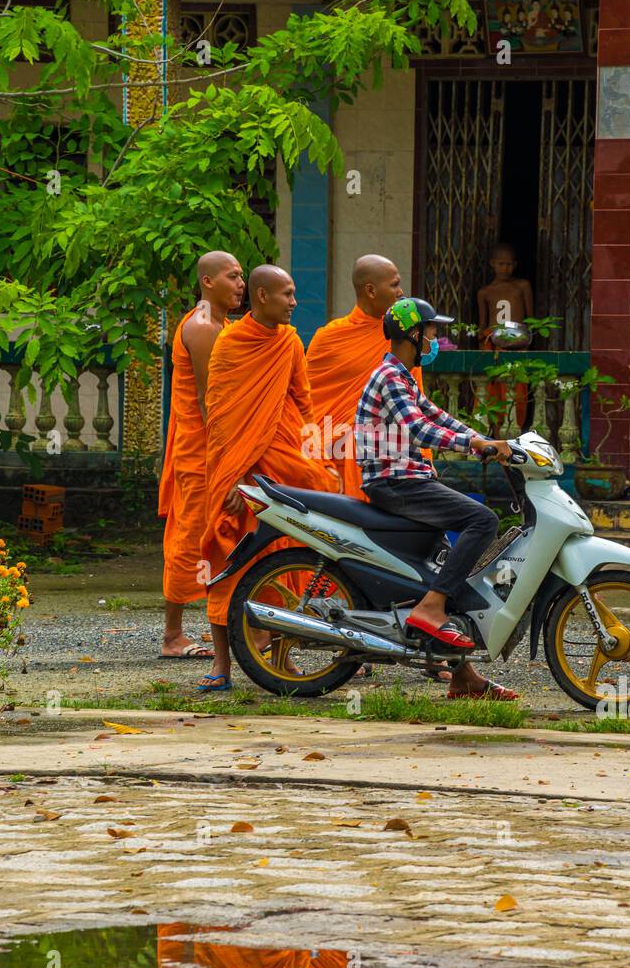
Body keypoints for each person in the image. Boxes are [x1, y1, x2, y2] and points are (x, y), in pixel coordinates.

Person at [355, 297, 518, 700]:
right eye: (430, 331)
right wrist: (473, 443)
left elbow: (438, 417)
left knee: (446, 570)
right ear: (411, 334)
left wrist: (491, 441)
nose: (433, 339)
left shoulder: (402, 376)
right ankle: (429, 609)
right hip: (396, 483)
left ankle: (464, 678)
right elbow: (421, 432)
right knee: (483, 521)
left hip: (408, 480)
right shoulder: (390, 377)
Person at [197, 265, 337, 692]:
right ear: (262, 295)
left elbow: (304, 402)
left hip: (283, 466)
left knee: (285, 559)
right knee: (226, 558)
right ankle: (222, 665)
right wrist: (236, 477)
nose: (294, 303)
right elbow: (221, 416)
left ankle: (281, 658)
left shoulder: (291, 342)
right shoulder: (231, 342)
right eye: (287, 295)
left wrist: (317, 458)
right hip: (237, 472)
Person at [157, 250, 244, 659]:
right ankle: (173, 636)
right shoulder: (204, 327)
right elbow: (213, 402)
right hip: (201, 450)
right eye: (232, 277)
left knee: (220, 533)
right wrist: (230, 458)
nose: (240, 284)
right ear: (207, 282)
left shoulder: (222, 324)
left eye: (242, 276)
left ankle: (222, 618)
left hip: (207, 448)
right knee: (191, 536)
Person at [306, 253, 429, 501]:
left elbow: (415, 403)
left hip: (386, 458)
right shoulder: (329, 338)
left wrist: (424, 457)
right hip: (333, 453)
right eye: (394, 284)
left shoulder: (403, 340)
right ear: (371, 290)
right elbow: (306, 402)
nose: (401, 292)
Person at [476, 242, 533, 433]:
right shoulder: (485, 292)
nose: (505, 268)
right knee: (492, 386)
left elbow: (530, 320)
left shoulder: (523, 286)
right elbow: (482, 325)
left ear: (515, 265)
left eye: (509, 264)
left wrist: (526, 340)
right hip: (492, 346)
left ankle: (515, 426)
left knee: (517, 388)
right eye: (501, 264)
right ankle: (492, 427)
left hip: (517, 344)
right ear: (492, 263)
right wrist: (483, 338)